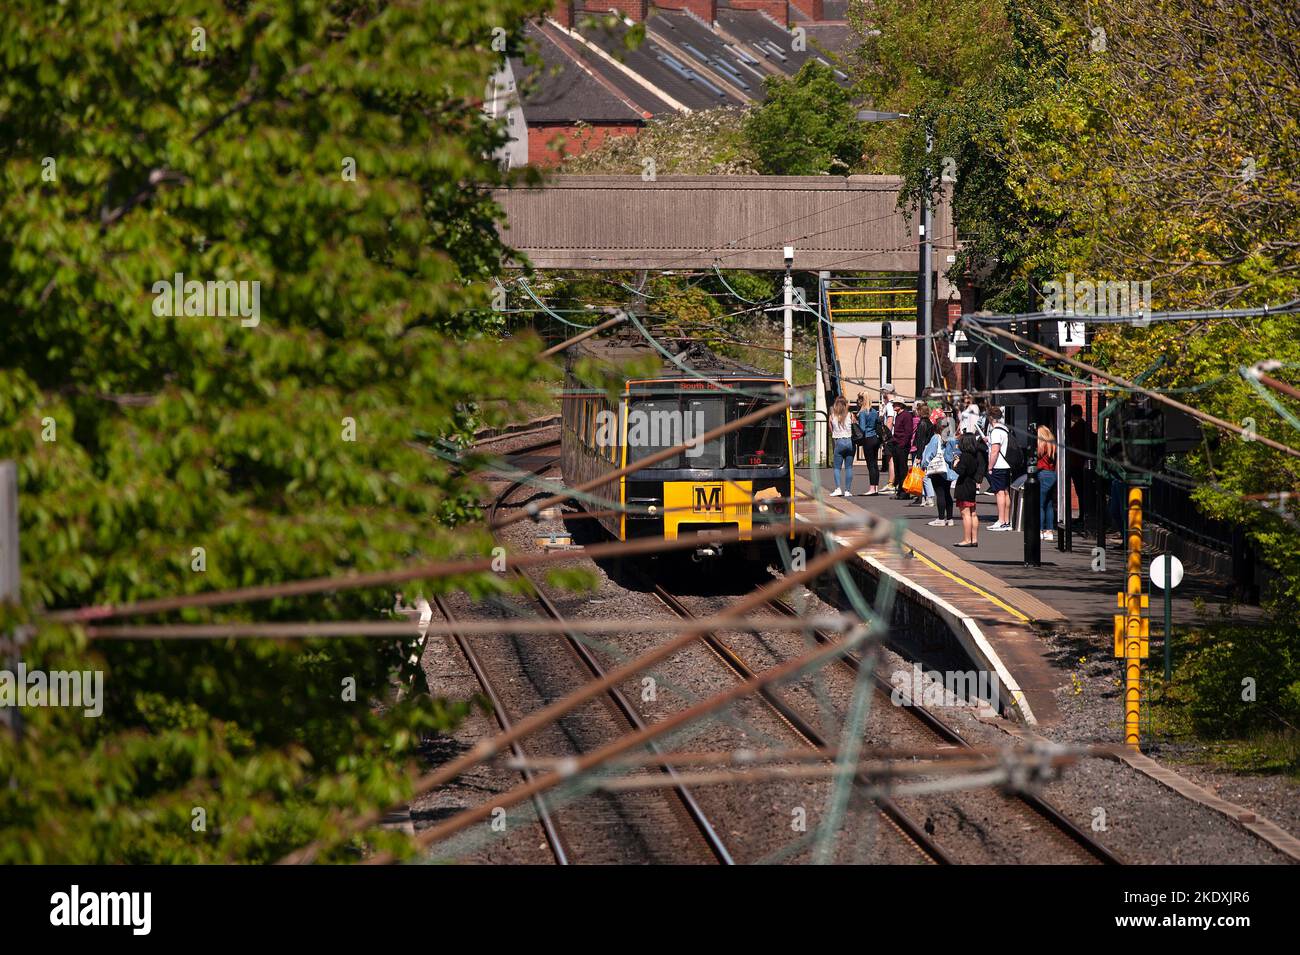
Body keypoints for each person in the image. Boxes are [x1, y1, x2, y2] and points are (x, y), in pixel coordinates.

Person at [921, 412, 958, 527]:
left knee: (940, 493)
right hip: (948, 469)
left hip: (937, 468)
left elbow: (929, 455)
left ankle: (941, 518)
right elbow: (952, 455)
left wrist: (924, 465)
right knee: (947, 493)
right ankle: (950, 518)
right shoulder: (951, 439)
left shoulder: (935, 438)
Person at [1065, 403, 1094, 523]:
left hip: (1078, 463)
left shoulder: (1078, 427)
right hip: (1079, 462)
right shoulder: (1084, 425)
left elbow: (1072, 441)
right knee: (1082, 491)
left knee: (1081, 491)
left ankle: (1083, 515)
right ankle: (1083, 515)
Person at [953, 433, 984, 547]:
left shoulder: (965, 456)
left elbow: (960, 470)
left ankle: (967, 539)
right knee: (973, 513)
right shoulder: (976, 455)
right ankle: (974, 539)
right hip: (971, 484)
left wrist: (955, 464)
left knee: (965, 514)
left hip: (964, 485)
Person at [985, 406, 1013, 530]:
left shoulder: (995, 431)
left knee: (999, 493)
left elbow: (995, 451)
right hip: (1007, 464)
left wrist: (990, 466)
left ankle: (1001, 520)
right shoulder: (1005, 429)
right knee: (1006, 492)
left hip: (998, 465)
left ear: (990, 417)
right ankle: (1007, 521)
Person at [829, 395, 855, 497]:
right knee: (849, 467)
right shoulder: (851, 415)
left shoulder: (832, 416)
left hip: (839, 442)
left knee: (837, 467)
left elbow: (831, 430)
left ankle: (838, 489)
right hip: (850, 442)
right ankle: (848, 491)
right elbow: (854, 427)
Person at [889, 400, 915, 500]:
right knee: (898, 469)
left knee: (902, 469)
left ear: (900, 405)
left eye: (895, 404)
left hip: (902, 446)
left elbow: (908, 432)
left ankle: (904, 492)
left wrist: (902, 444)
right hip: (896, 444)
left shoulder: (906, 415)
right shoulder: (898, 415)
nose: (893, 406)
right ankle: (900, 491)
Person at [910, 401, 934, 507]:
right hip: (928, 450)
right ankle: (924, 497)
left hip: (923, 451)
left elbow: (921, 441)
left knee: (924, 476)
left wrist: (919, 456)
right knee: (924, 475)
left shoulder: (922, 424)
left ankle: (929, 497)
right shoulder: (929, 423)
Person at [1037, 424, 1058, 541]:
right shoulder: (1052, 446)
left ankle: (1039, 529)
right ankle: (1049, 531)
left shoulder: (1041, 446)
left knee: (1039, 504)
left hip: (1042, 474)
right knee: (1049, 504)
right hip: (1052, 474)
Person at [857, 400, 883, 494]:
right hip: (875, 437)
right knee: (875, 464)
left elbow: (862, 428)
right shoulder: (874, 411)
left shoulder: (863, 413)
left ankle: (872, 488)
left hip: (867, 438)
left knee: (870, 464)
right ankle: (875, 487)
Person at [879, 384, 897, 491]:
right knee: (893, 459)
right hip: (895, 435)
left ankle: (891, 483)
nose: (882, 394)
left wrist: (885, 436)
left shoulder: (890, 405)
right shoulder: (894, 404)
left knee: (891, 460)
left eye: (883, 392)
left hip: (890, 436)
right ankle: (894, 482)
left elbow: (890, 420)